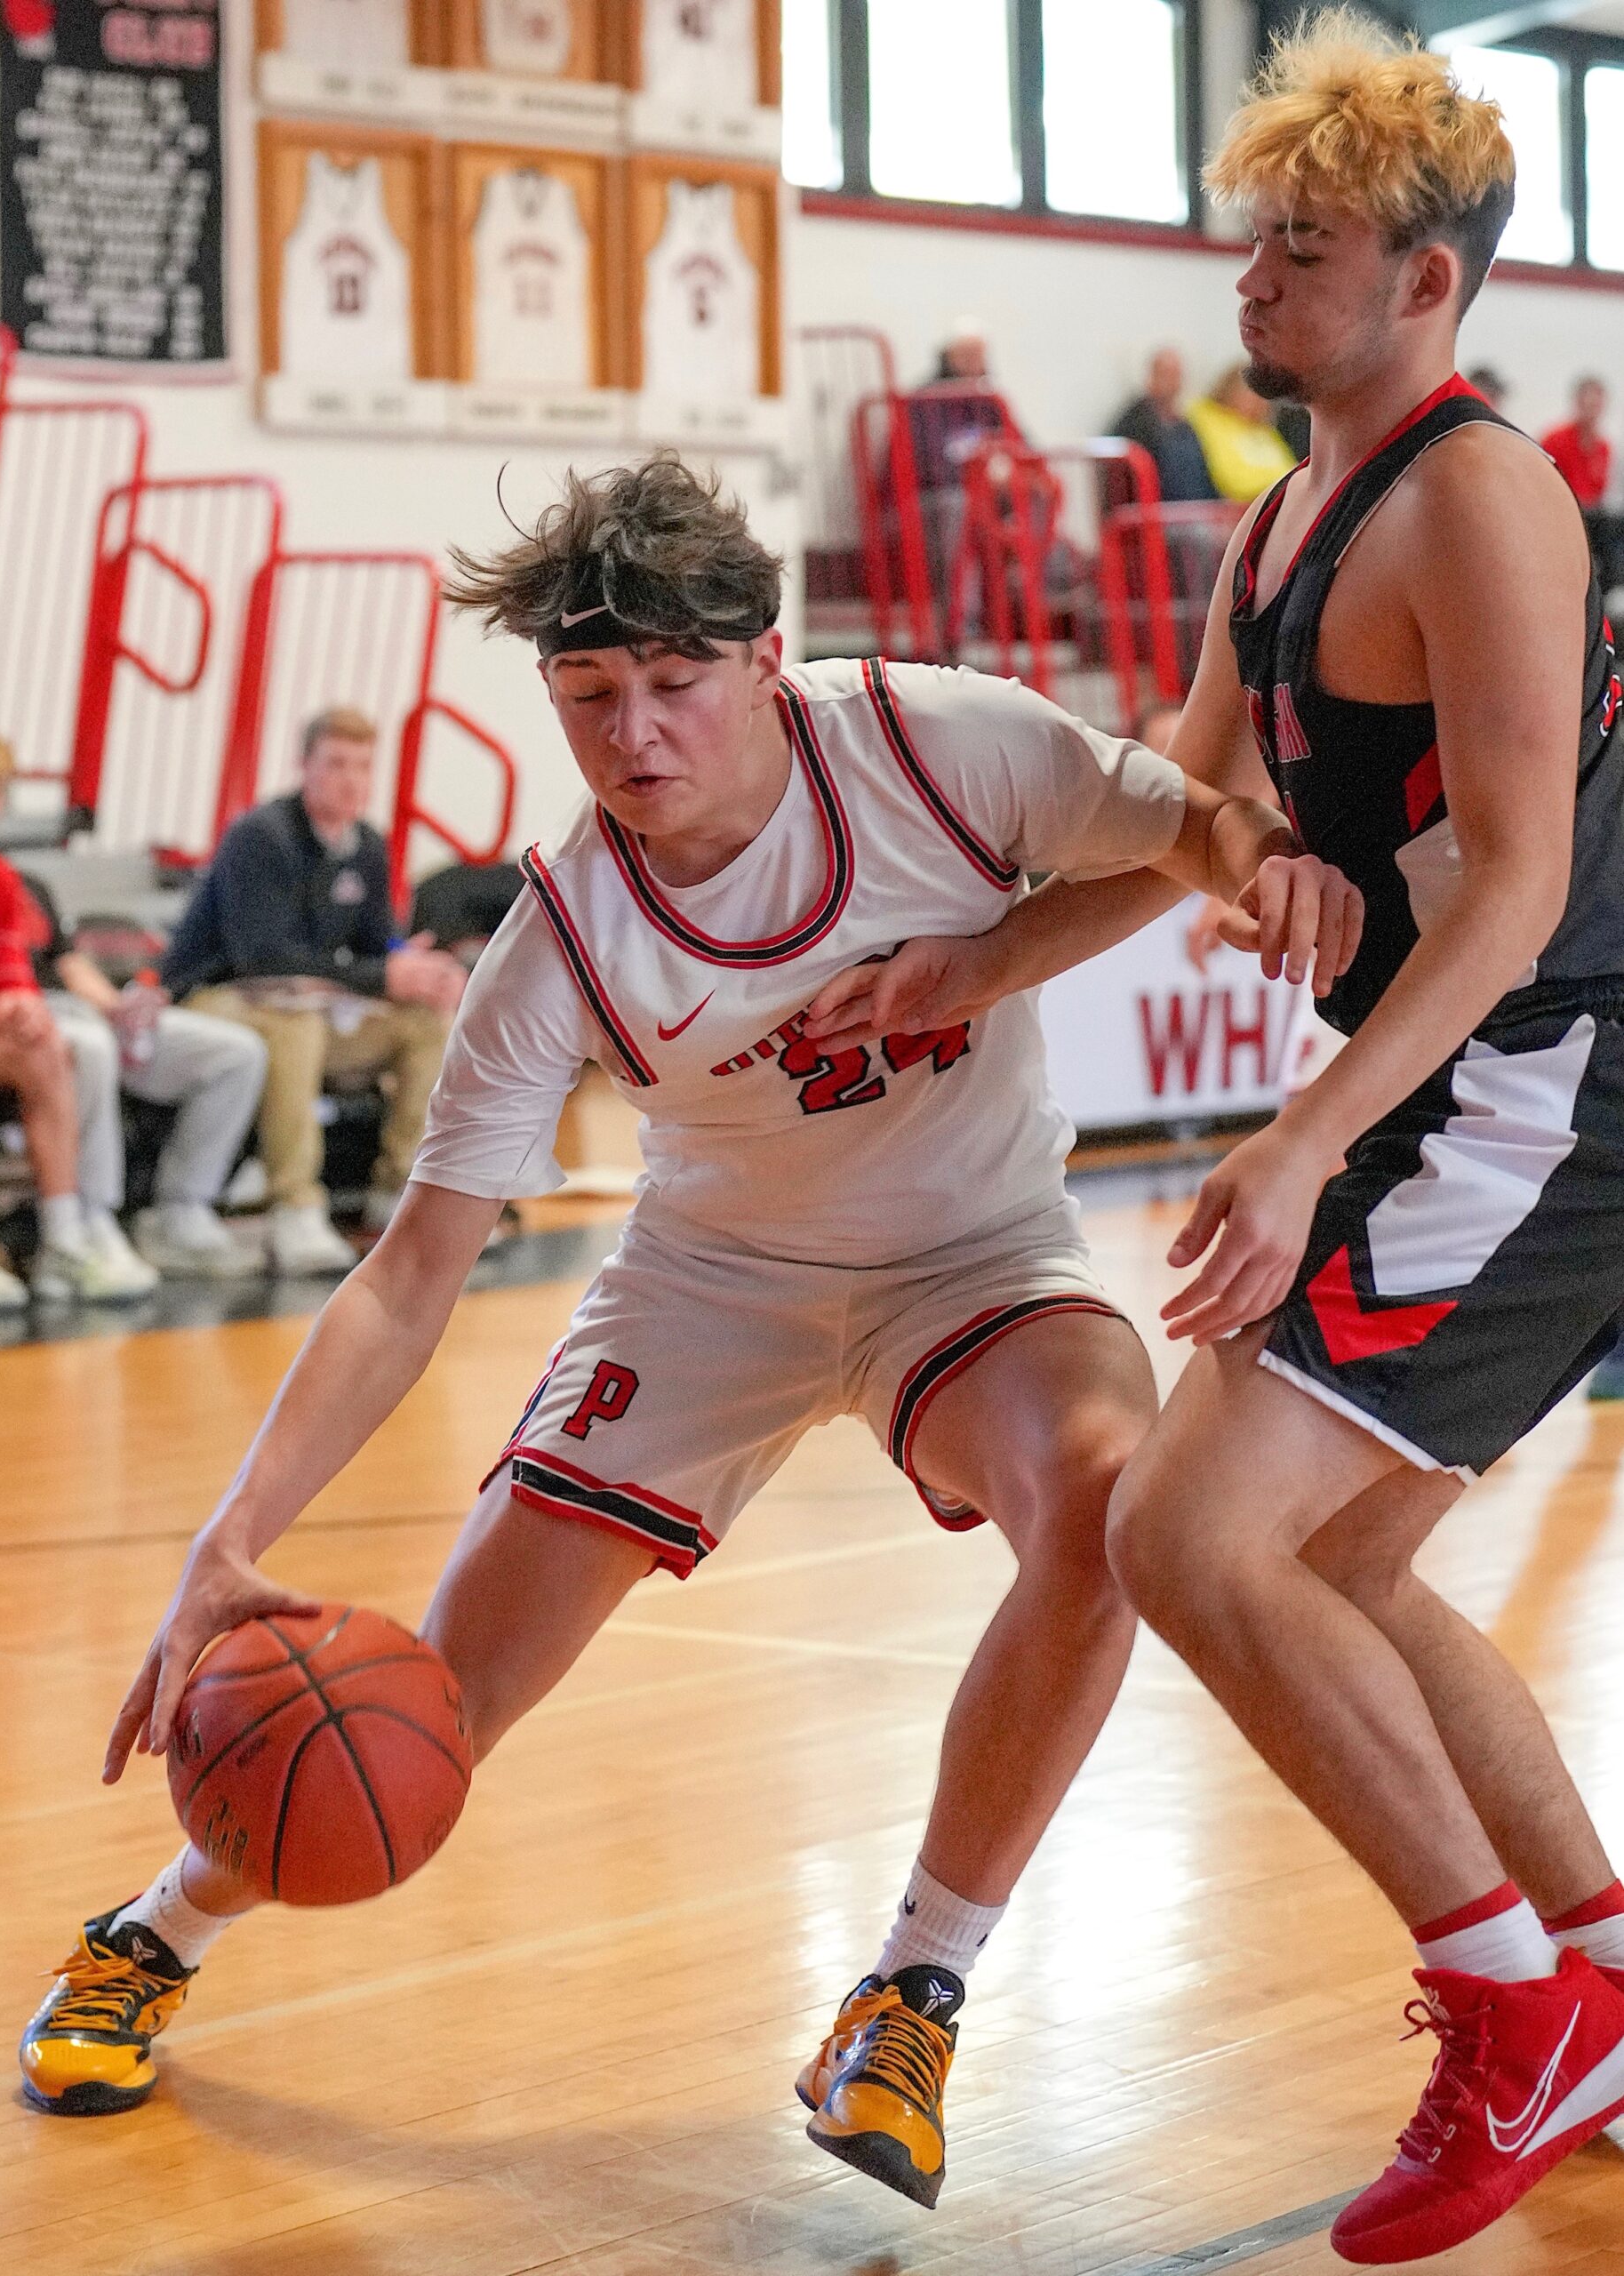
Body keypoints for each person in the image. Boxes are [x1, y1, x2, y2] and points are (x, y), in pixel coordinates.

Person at [19, 457, 1359, 2214]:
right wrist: (230, 1534)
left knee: (1108, 1498)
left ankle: (910, 1987)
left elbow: (1183, 817)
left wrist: (1261, 866)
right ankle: (155, 1923)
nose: (634, 733)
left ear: (765, 660)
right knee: (427, 1700)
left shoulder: (935, 742)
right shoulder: (560, 937)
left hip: (969, 1252)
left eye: (673, 682)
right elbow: (411, 1273)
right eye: (588, 696)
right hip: (710, 1277)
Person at [815, 19, 1624, 2260]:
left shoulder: (1481, 492)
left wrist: (1288, 1138)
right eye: (1251, 233)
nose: (1251, 277)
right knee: (1325, 1562)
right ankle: (1597, 1974)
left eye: (1309, 245)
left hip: (1556, 1066)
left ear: (1430, 284)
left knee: (1190, 1532)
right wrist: (972, 963)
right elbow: (1195, 809)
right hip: (1459, 1070)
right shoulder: (1277, 512)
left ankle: (1510, 2004)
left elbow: (1530, 884)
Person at [162, 709, 467, 1276]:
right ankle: (294, 1206)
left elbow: (378, 940)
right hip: (214, 995)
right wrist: (381, 976)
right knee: (294, 1018)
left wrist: (415, 965)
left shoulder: (366, 844)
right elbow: (264, 958)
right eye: (335, 764)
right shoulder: (261, 835)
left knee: (424, 1021)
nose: (349, 780)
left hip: (309, 1003)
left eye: (361, 767)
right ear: (305, 767)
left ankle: (398, 1188)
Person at [0, 738, 268, 1279]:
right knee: (85, 1046)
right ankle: (89, 1217)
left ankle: (183, 1208)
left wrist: (119, 1008)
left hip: (61, 1007)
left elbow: (69, 964)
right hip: (33, 1018)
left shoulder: (28, 884)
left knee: (236, 1053)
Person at [0, 852, 151, 1306]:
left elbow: (17, 979)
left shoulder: (7, 879)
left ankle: (64, 1236)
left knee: (45, 1047)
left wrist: (21, 1008)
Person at [1108, 349, 1221, 502]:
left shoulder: (1185, 425)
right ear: (1151, 376)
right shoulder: (1133, 423)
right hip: (1154, 515)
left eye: (1177, 375)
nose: (1172, 383)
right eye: (1166, 374)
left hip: (1194, 512)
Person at [1542, 377, 1622, 594]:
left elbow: (1599, 491)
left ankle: (1609, 590)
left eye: (1596, 404)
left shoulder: (1603, 446)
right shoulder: (1555, 439)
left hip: (1590, 516)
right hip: (1561, 512)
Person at [1186, 361, 1300, 501]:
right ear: (1230, 391)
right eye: (1254, 393)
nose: (1261, 402)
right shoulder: (1211, 421)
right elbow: (1235, 483)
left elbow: (1291, 471)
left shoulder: (1262, 430)